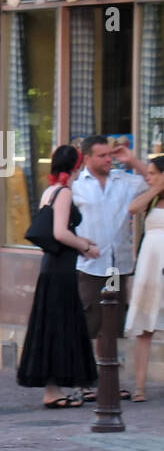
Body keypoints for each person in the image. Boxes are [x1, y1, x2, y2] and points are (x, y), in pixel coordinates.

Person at [18, 145, 100, 408]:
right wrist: (85, 247)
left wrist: (81, 241)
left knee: (55, 328)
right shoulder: (63, 193)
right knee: (60, 327)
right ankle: (55, 392)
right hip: (60, 271)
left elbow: (61, 232)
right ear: (76, 165)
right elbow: (60, 233)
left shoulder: (50, 191)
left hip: (52, 267)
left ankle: (59, 388)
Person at [72, 133, 149, 398]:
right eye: (102, 156)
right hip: (90, 264)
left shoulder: (122, 180)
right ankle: (91, 380)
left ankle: (110, 380)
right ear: (88, 157)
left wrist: (132, 160)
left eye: (109, 155)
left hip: (117, 265)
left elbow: (153, 181)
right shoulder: (77, 186)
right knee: (91, 320)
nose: (108, 160)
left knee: (112, 321)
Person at [122, 155, 164, 401]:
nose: (147, 177)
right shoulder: (151, 199)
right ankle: (139, 386)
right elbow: (132, 208)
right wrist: (156, 188)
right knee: (145, 329)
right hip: (149, 267)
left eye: (152, 173)